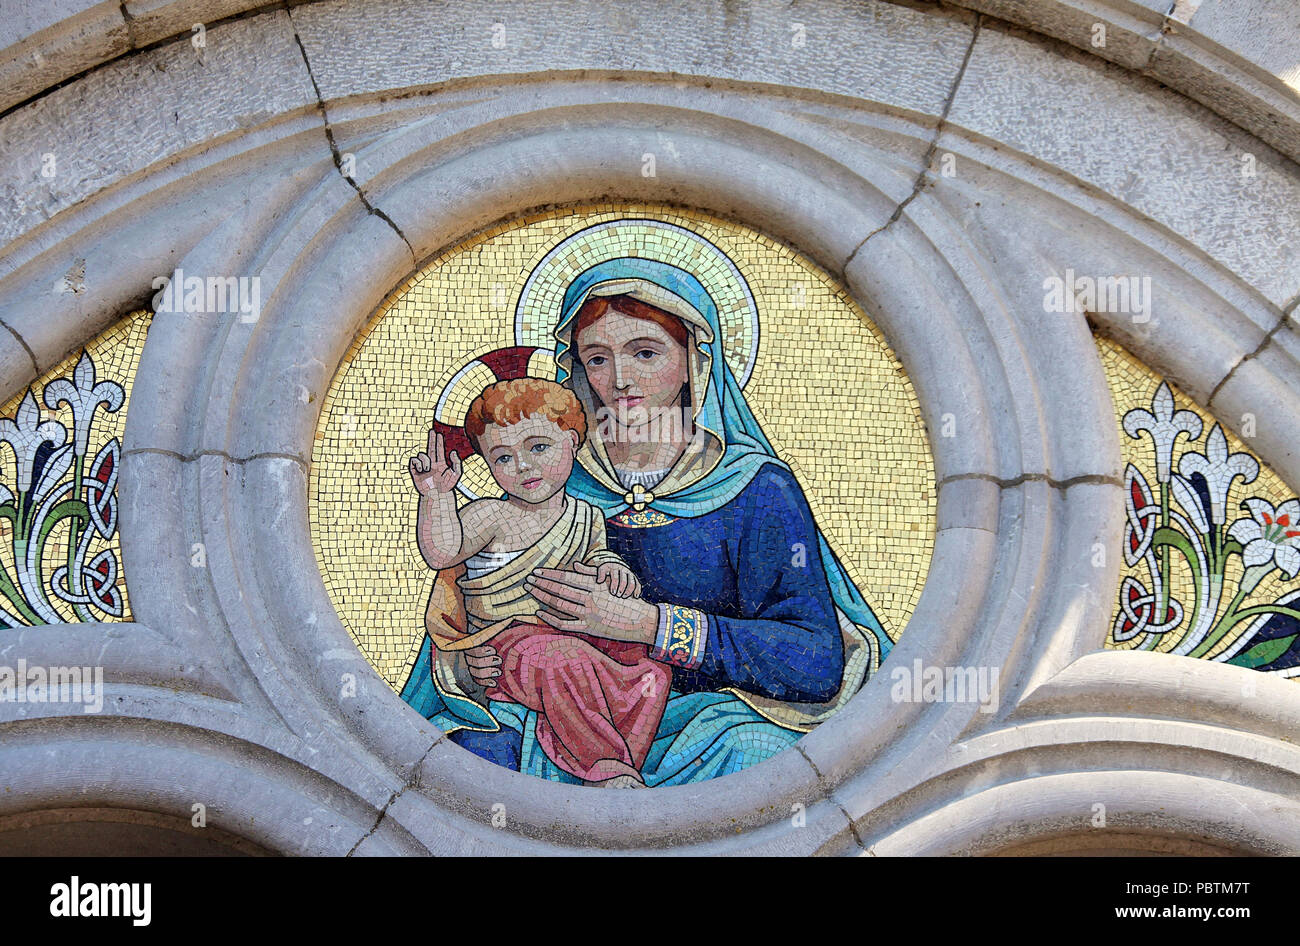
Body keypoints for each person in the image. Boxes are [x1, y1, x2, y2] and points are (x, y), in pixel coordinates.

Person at [401, 255, 889, 785]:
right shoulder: (550, 484)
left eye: (645, 352)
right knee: (472, 758)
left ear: (694, 361)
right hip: (555, 705)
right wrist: (467, 670)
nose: (620, 380)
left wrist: (649, 626)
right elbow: (459, 603)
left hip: (708, 721)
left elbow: (815, 661)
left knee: (757, 752)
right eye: (597, 359)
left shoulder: (755, 488)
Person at [407, 377, 669, 787]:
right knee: (563, 659)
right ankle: (605, 767)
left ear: (572, 442)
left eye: (538, 447)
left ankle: (607, 761)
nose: (523, 466)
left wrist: (613, 570)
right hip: (509, 643)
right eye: (503, 458)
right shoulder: (490, 514)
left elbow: (597, 557)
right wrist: (436, 496)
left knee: (653, 672)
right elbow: (442, 553)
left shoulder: (587, 516)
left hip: (576, 635)